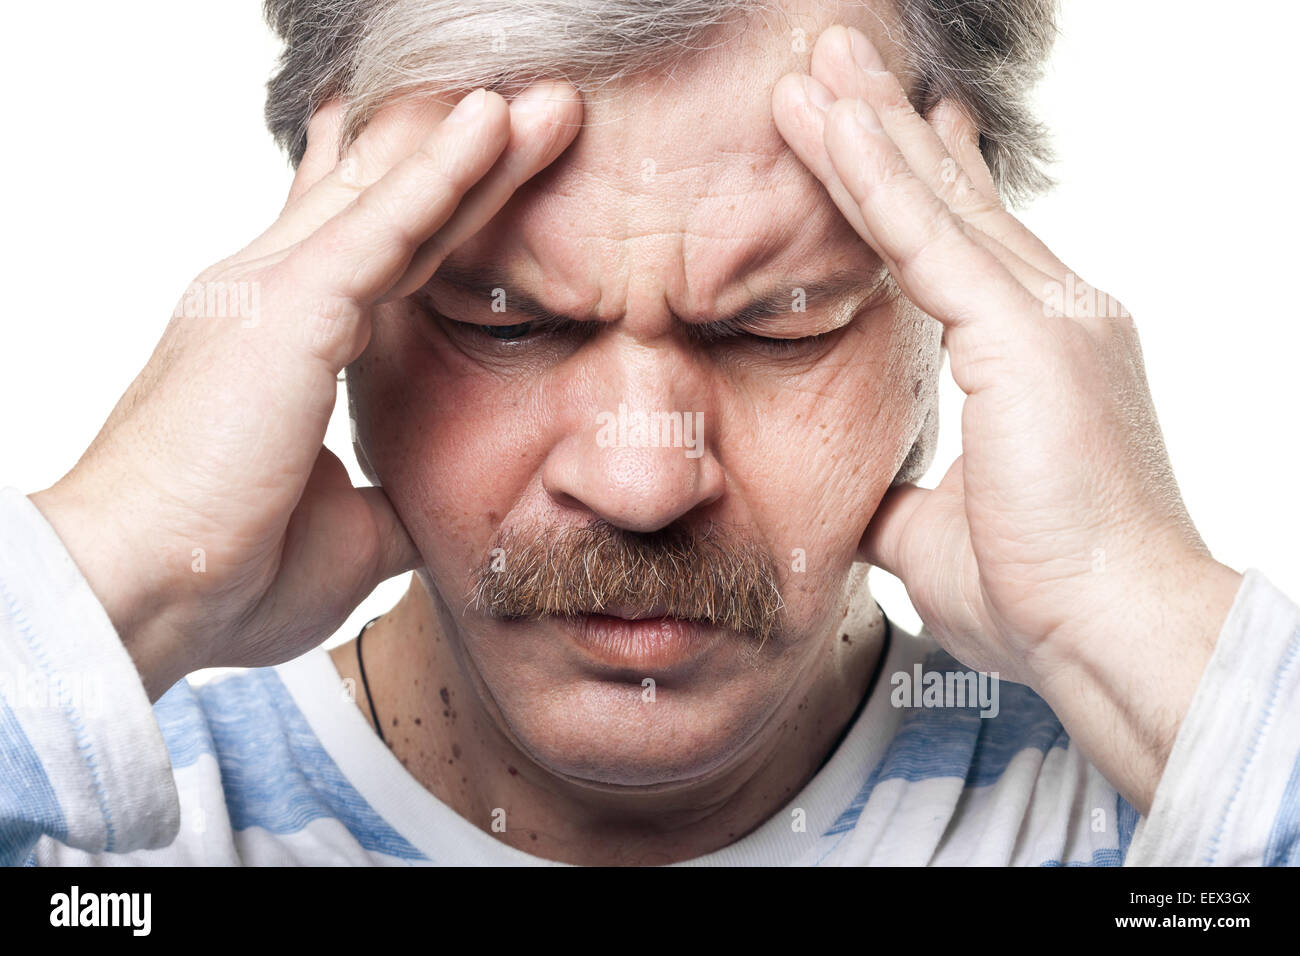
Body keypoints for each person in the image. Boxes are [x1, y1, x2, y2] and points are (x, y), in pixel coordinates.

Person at [2, 0, 1297, 866]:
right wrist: (115, 580)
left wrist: (1143, 629)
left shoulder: (1182, 821)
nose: (640, 477)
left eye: (781, 326)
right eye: (502, 320)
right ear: (323, 290)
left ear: (970, 290)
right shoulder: (94, 825)